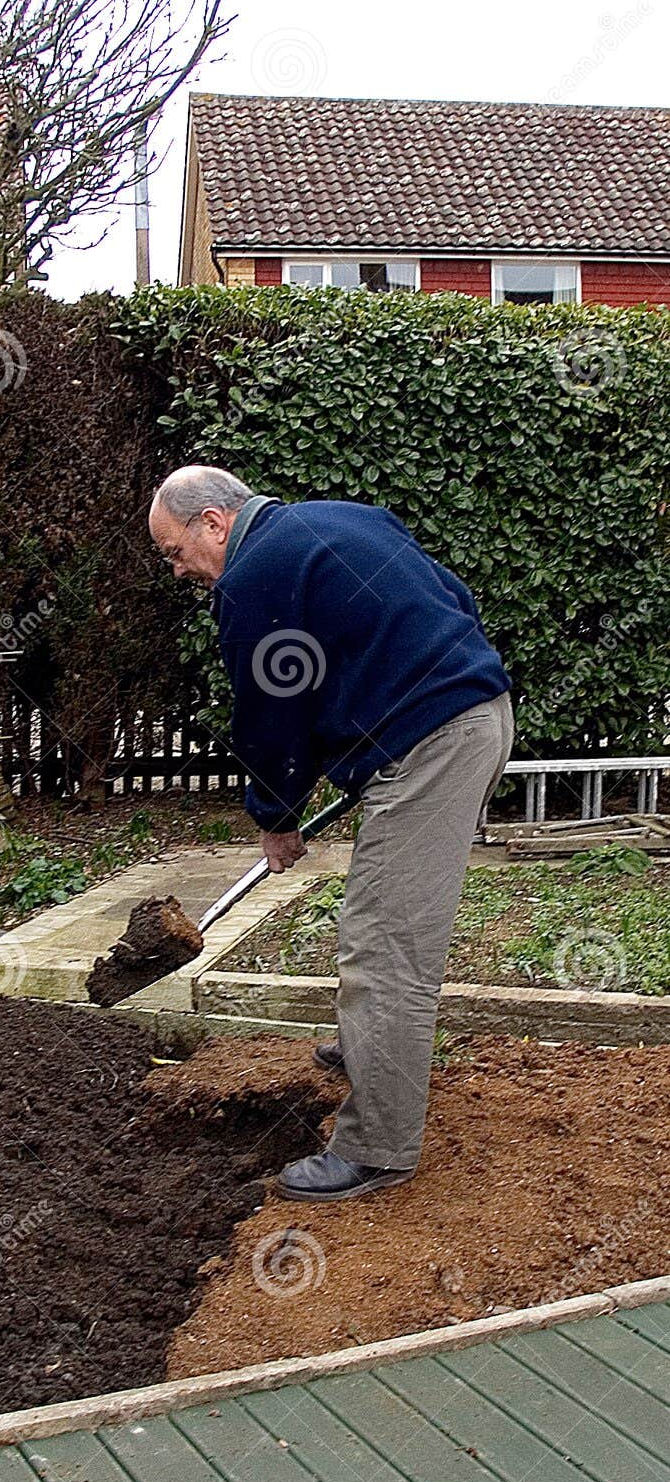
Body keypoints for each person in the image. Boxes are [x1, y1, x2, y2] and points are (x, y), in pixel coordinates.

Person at [149, 465, 514, 1202]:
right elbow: (454, 600)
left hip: (432, 742)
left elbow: (271, 713)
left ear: (213, 522)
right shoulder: (345, 517)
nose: (179, 569)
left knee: (386, 945)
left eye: (174, 551)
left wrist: (275, 816)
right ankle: (366, 1049)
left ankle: (376, 1149)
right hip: (466, 715)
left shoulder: (252, 580)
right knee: (378, 911)